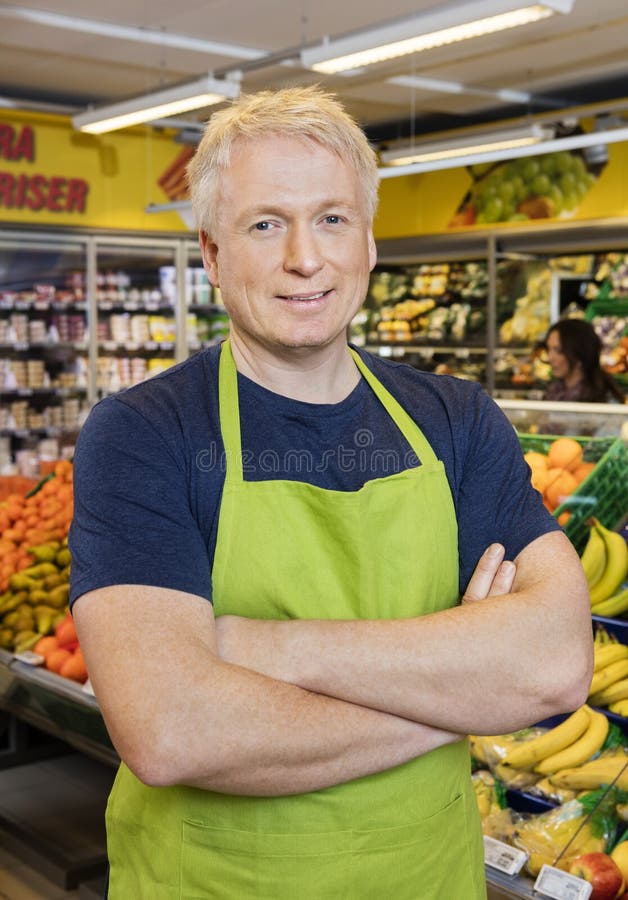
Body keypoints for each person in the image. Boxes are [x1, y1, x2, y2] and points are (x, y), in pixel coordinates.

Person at [69, 86, 592, 899]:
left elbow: (556, 663)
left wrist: (260, 649)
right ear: (212, 255)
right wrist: (464, 683)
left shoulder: (455, 420)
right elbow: (173, 729)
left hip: (429, 880)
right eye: (265, 223)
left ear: (369, 243)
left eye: (333, 219)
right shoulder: (143, 433)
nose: (305, 258)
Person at [544, 318, 626, 403]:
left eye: (558, 351)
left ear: (579, 355)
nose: (550, 358)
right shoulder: (552, 393)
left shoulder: (605, 399)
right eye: (548, 349)